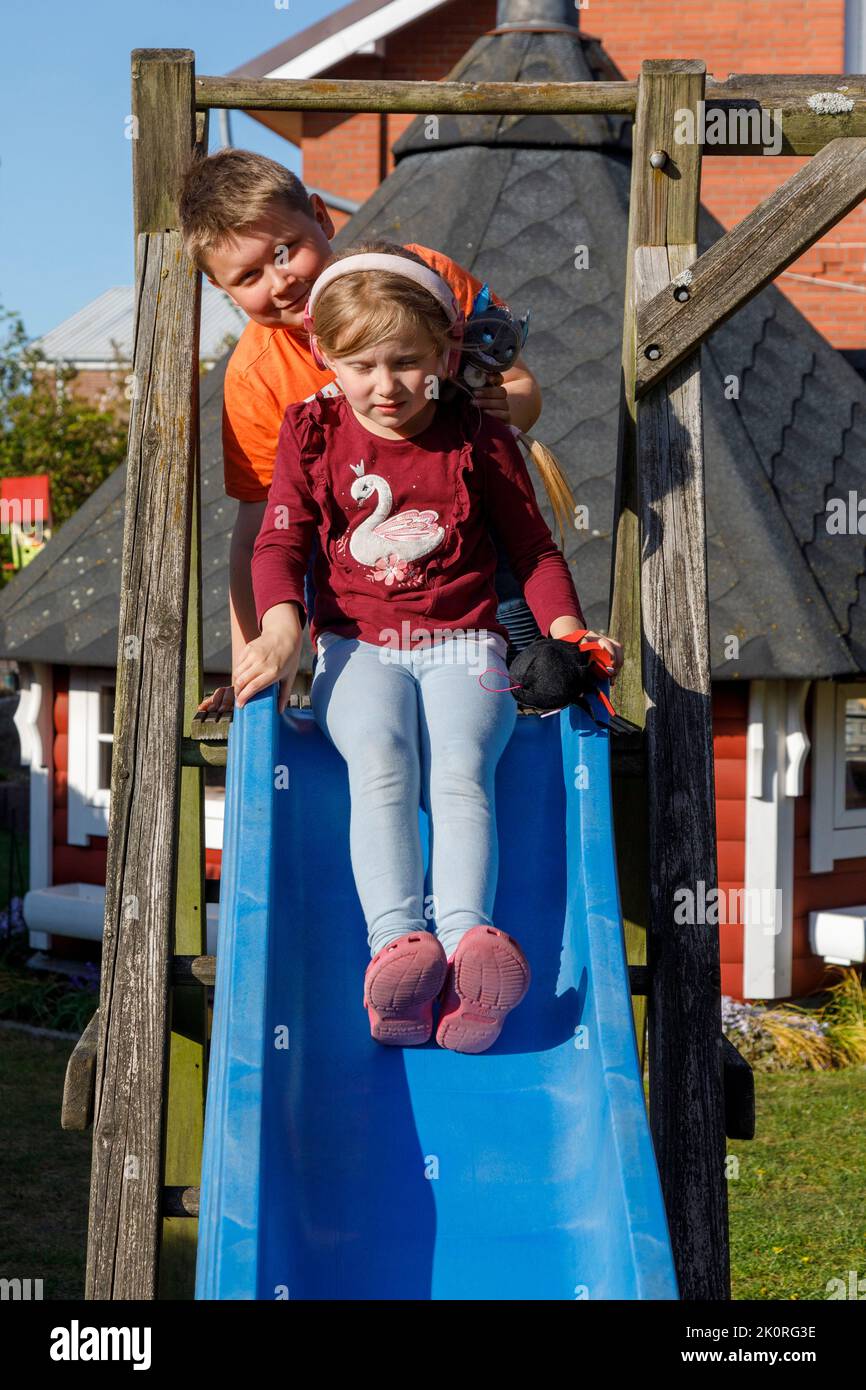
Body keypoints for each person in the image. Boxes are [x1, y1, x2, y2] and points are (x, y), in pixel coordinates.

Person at [236, 243, 624, 1055]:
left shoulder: (477, 437)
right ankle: (398, 949)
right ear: (325, 358)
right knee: (380, 760)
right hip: (358, 646)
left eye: (408, 363)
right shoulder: (311, 431)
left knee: (459, 770)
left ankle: (468, 941)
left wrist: (566, 636)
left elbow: (536, 552)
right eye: (363, 366)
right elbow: (280, 543)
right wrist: (279, 623)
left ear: (445, 356)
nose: (386, 387)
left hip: (462, 640)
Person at [177, 149, 547, 721]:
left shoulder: (416, 278)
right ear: (222, 291)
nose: (280, 282)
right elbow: (262, 531)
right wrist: (255, 659)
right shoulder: (257, 377)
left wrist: (502, 411)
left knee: (529, 678)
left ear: (322, 219)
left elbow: (521, 384)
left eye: (284, 251)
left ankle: (541, 698)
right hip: (357, 583)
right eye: (248, 276)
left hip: (474, 543)